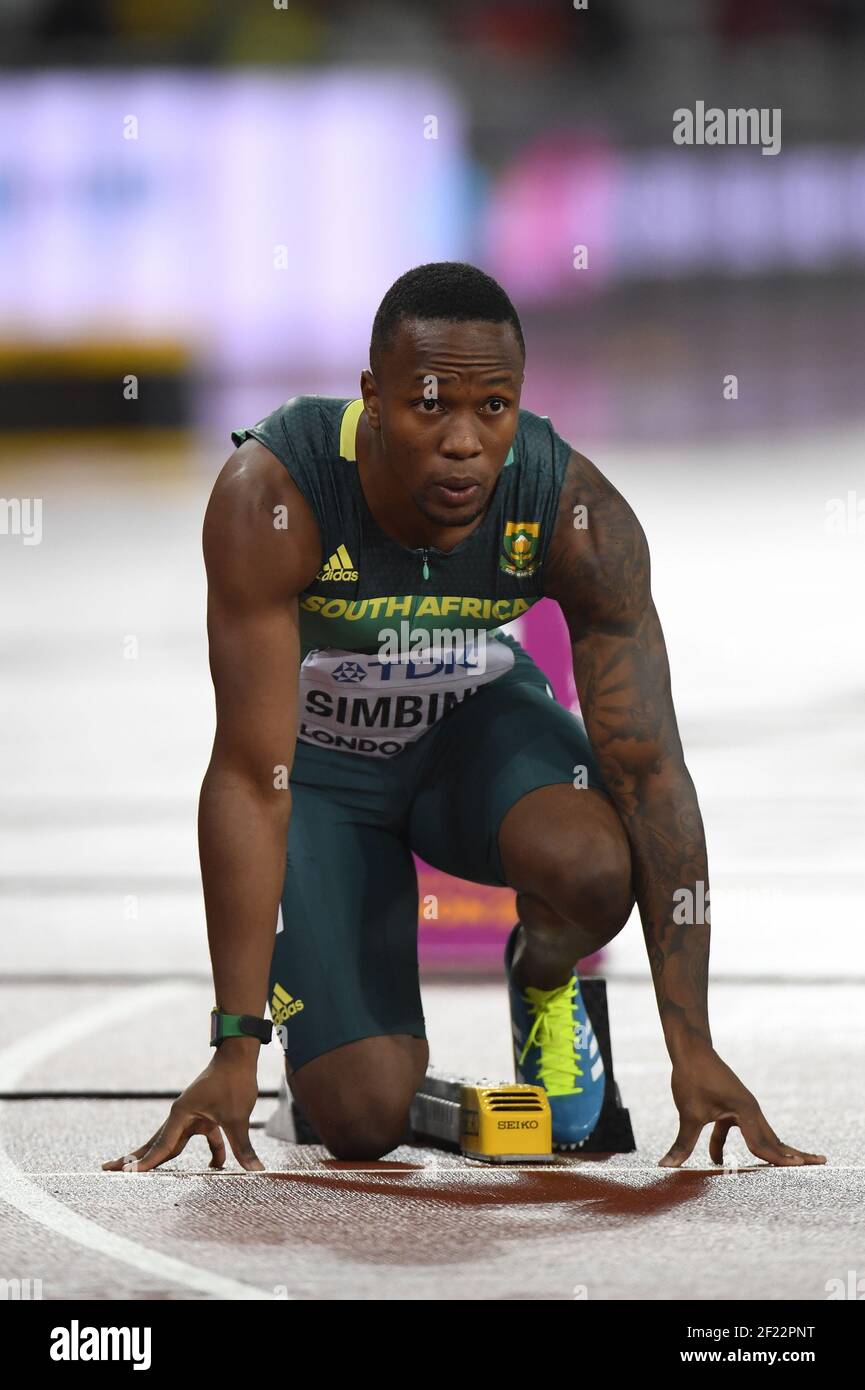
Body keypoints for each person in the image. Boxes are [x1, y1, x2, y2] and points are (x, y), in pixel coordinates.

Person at [103, 261, 825, 1172]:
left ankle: (543, 973)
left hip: (473, 740)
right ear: (372, 398)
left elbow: (649, 772)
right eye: (428, 406)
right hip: (321, 776)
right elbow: (250, 778)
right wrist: (235, 1045)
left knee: (596, 867)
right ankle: (330, 1056)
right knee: (363, 1120)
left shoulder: (574, 511)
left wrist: (694, 1047)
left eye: (493, 408)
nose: (462, 442)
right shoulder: (272, 497)